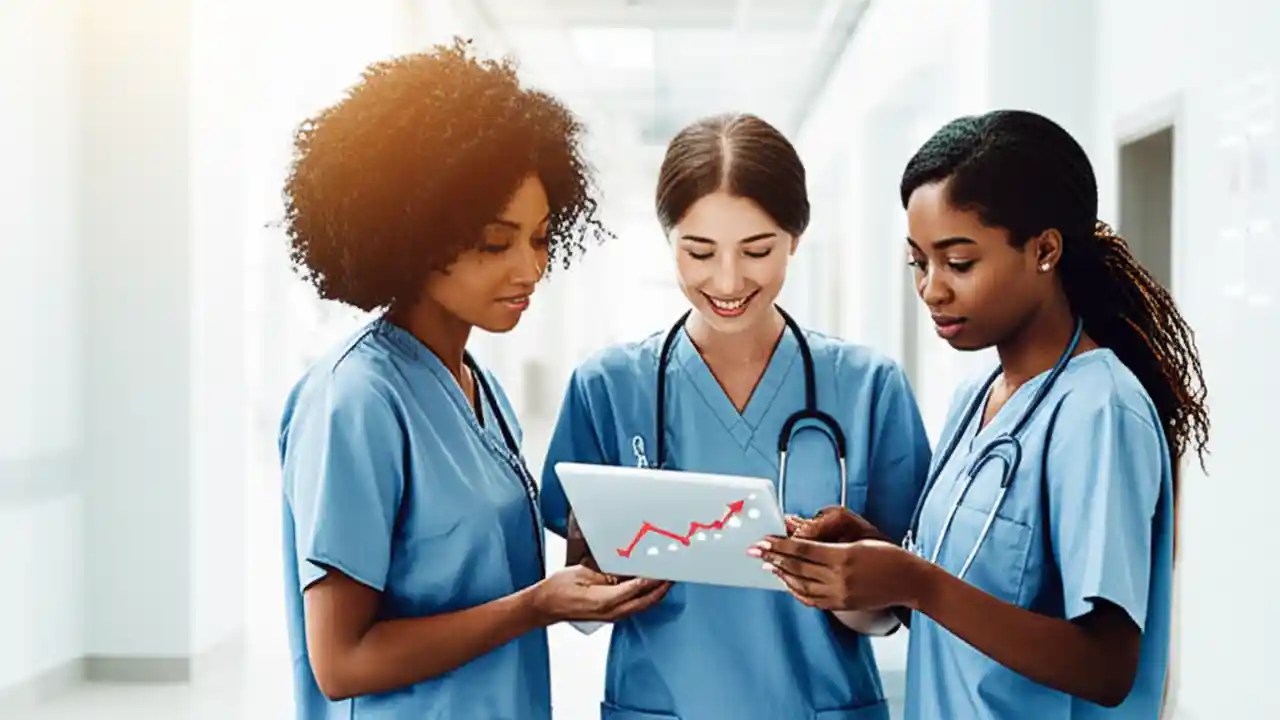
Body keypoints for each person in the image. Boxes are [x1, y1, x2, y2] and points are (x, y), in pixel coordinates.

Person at [757, 110, 1211, 719]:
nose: (932, 289)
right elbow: (975, 608)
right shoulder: (976, 397)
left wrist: (917, 584)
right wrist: (880, 557)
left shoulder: (1099, 410)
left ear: (1045, 249)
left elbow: (1107, 667)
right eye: (918, 262)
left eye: (959, 263)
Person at [276, 39, 669, 720]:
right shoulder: (357, 398)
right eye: (496, 242)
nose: (529, 269)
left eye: (542, 238)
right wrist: (537, 605)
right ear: (415, 233)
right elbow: (341, 664)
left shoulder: (476, 387)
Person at [539, 112, 932, 720]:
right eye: (699, 252)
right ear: (668, 239)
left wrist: (846, 588)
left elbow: (902, 605)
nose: (727, 279)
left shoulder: (869, 387)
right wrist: (598, 591)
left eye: (757, 250)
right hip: (662, 704)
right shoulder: (607, 387)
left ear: (795, 238)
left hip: (819, 703)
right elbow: (581, 593)